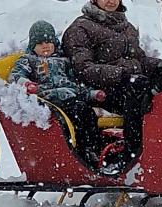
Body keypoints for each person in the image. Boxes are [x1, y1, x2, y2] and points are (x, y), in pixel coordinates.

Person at [61, 0, 157, 148]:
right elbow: (82, 68)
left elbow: (139, 58)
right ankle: (133, 148)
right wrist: (120, 74)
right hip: (100, 90)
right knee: (137, 88)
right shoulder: (81, 28)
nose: (112, 0)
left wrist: (160, 67)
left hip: (131, 84)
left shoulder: (127, 27)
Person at [10, 19, 105, 166]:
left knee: (86, 112)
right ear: (32, 46)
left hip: (70, 96)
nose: (45, 46)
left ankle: (95, 148)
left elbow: (75, 84)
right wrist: (27, 84)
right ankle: (83, 150)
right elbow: (16, 75)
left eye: (48, 42)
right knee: (77, 114)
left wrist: (92, 94)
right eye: (40, 43)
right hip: (48, 98)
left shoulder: (64, 61)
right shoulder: (29, 60)